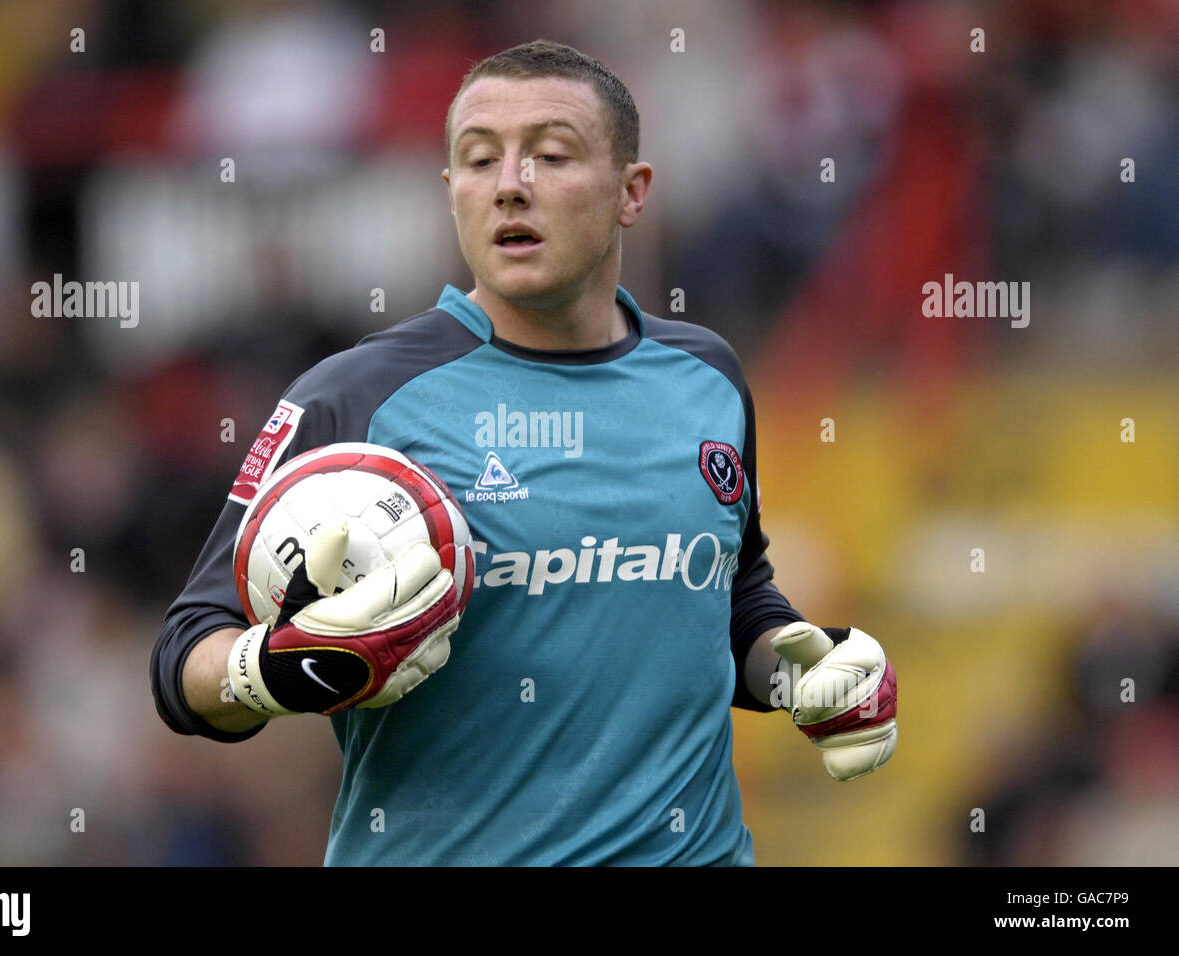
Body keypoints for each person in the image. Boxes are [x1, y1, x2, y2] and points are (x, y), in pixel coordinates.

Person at [150, 39, 897, 866]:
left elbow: (729, 598)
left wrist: (800, 671)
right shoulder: (352, 397)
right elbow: (187, 657)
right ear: (452, 193)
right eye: (479, 160)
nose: (511, 183)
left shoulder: (708, 379)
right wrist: (272, 671)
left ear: (631, 192)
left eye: (550, 154)